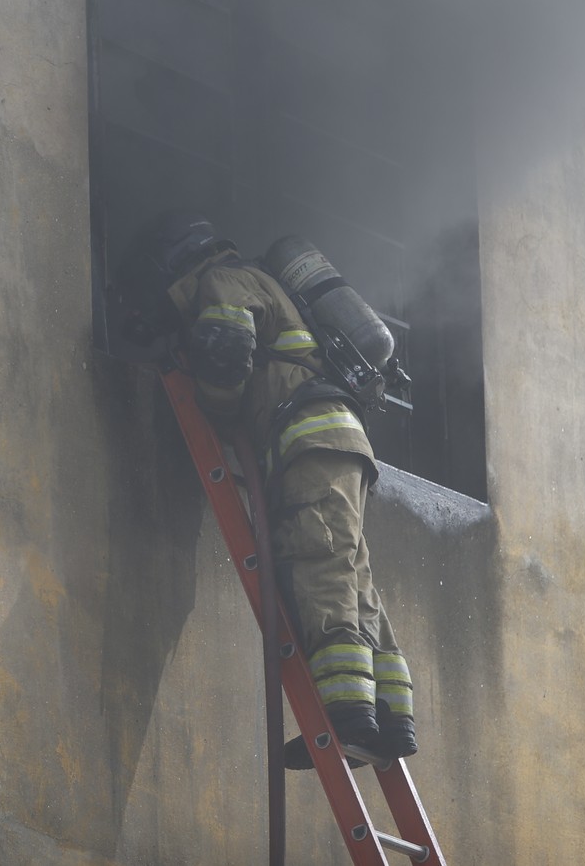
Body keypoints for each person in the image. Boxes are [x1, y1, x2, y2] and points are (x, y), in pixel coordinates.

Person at [113, 210, 417, 765]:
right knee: (351, 574)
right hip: (342, 445)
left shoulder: (223, 280)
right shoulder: (275, 287)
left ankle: (347, 715)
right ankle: (391, 718)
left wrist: (216, 406)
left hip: (306, 442)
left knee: (318, 559)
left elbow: (227, 349)